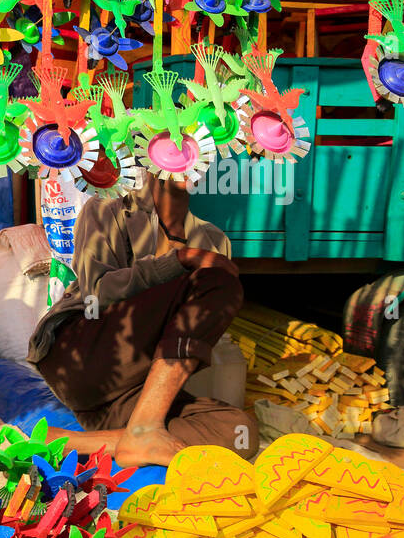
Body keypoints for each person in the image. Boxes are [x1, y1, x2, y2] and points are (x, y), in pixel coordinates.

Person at [27, 175, 258, 467]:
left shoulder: (213, 240)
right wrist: (179, 260)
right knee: (218, 282)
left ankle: (100, 440)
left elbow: (195, 332)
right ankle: (144, 428)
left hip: (127, 393)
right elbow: (95, 296)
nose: (188, 157)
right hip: (84, 356)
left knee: (240, 431)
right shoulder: (107, 208)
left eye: (200, 146)